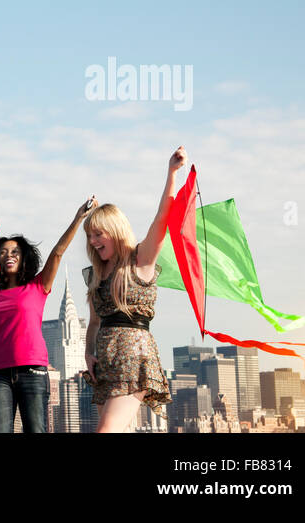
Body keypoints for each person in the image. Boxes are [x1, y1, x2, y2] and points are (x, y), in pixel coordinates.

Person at [0, 196, 99, 432]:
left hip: (32, 372)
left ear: (23, 257)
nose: (9, 255)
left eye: (15, 251)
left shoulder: (38, 286)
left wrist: (78, 218)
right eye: (3, 252)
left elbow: (57, 253)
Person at [83, 147, 186, 433]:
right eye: (89, 236)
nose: (92, 241)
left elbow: (161, 220)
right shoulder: (96, 275)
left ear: (114, 230)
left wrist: (172, 173)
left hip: (134, 360)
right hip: (106, 363)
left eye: (98, 234)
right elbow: (93, 322)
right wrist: (88, 353)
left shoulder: (140, 259)